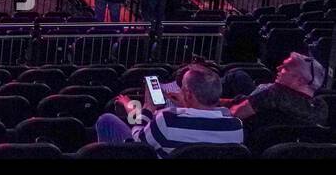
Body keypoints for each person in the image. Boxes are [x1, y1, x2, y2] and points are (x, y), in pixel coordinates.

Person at [94, 64, 244, 156]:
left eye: (183, 88)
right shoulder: (235, 126)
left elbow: (138, 143)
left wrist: (143, 109)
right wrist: (186, 104)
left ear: (189, 94)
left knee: (106, 120)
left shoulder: (167, 119)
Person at [225, 52, 328, 135]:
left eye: (286, 68)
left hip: (253, 141)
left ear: (300, 80)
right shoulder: (321, 108)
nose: (278, 68)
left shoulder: (274, 94)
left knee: (237, 75)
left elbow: (234, 114)